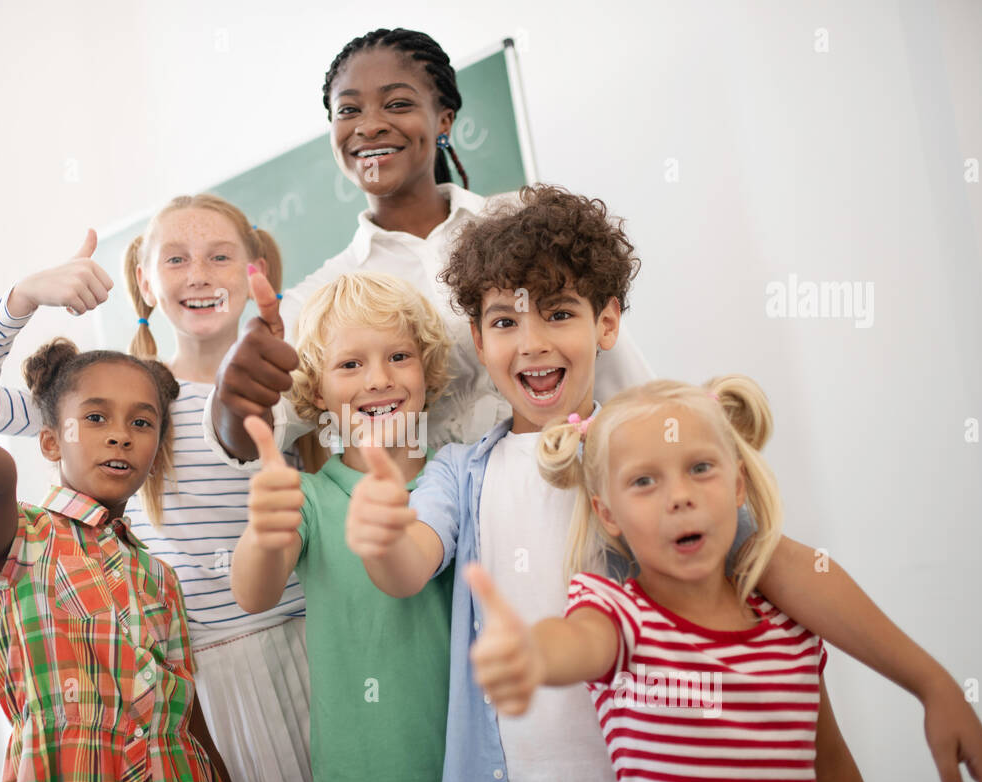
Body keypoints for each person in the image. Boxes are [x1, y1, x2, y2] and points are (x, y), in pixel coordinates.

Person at [346, 184, 982, 782]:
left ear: (607, 323)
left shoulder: (648, 452)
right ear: (478, 340)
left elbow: (782, 562)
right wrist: (384, 534)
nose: (533, 343)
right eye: (506, 323)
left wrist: (931, 684)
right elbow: (407, 567)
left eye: (559, 313)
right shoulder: (461, 472)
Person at [0, 197, 317, 782]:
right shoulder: (132, 397)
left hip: (306, 645)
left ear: (254, 268)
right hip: (207, 673)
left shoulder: (287, 387)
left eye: (219, 256)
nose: (198, 274)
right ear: (145, 283)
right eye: (174, 259)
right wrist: (25, 296)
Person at [468, 375, 893, 782]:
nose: (679, 497)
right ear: (608, 514)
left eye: (699, 468)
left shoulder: (789, 628)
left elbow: (831, 768)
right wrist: (531, 653)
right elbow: (574, 641)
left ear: (738, 485)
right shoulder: (620, 618)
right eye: (644, 481)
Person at [203, 27, 654, 466]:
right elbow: (249, 437)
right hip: (435, 534)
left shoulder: (527, 227)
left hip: (582, 489)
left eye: (398, 104)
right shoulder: (325, 297)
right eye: (348, 111)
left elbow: (628, 388)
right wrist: (232, 395)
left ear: (443, 120)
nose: (371, 125)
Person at [0, 286, 249, 782]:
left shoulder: (157, 575)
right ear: (50, 440)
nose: (120, 434)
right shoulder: (21, 539)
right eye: (95, 418)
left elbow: (188, 720)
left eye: (142, 423)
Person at [231, 272, 453, 782]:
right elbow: (253, 592)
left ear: (428, 373)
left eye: (399, 356)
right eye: (350, 365)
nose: (379, 378)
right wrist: (265, 529)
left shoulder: (459, 479)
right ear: (317, 394)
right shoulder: (309, 496)